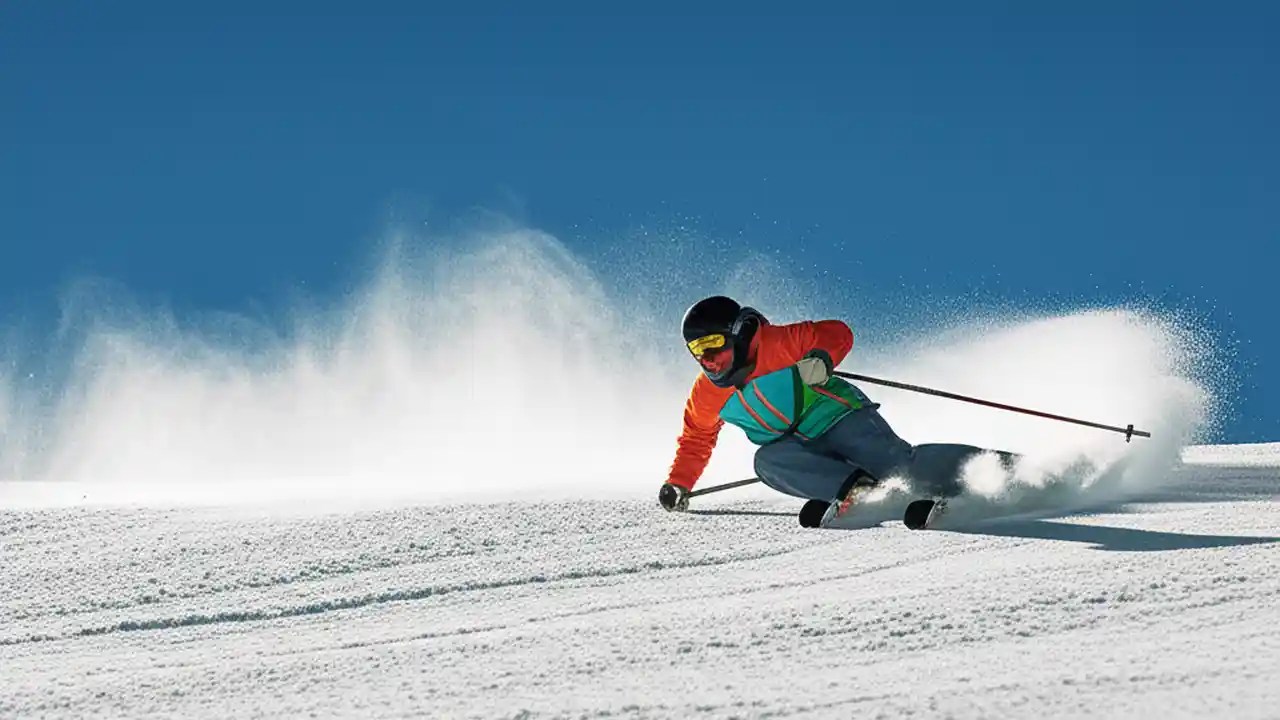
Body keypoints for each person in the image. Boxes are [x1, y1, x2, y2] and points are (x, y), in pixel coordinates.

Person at [658, 295, 1008, 527]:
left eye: (713, 343)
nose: (706, 358)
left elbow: (835, 332)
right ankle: (858, 492)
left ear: (736, 333)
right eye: (696, 349)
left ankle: (994, 469)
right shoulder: (707, 393)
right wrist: (679, 483)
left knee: (896, 465)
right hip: (801, 445)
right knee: (767, 462)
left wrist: (821, 358)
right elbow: (696, 438)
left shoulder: (777, 343)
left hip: (840, 416)